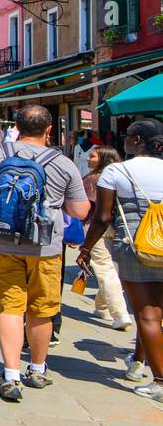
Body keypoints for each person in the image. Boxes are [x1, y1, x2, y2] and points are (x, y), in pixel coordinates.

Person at [0, 104, 90, 403]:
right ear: (49, 130)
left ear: (15, 127)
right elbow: (80, 210)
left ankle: (10, 374)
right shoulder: (63, 162)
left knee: (10, 308)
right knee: (42, 309)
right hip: (45, 247)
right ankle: (38, 369)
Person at [78, 118, 163, 402]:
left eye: (128, 136)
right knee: (153, 313)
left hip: (135, 246)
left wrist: (86, 249)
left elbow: (102, 218)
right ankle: (137, 364)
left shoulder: (117, 171)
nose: (123, 140)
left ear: (138, 141)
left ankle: (161, 381)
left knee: (146, 313)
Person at [80, 146, 132, 331]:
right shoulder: (124, 177)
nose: (88, 159)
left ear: (102, 159)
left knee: (104, 268)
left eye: (92, 156)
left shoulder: (93, 179)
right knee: (112, 268)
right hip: (120, 226)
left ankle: (120, 314)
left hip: (97, 227)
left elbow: (84, 209)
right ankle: (102, 307)